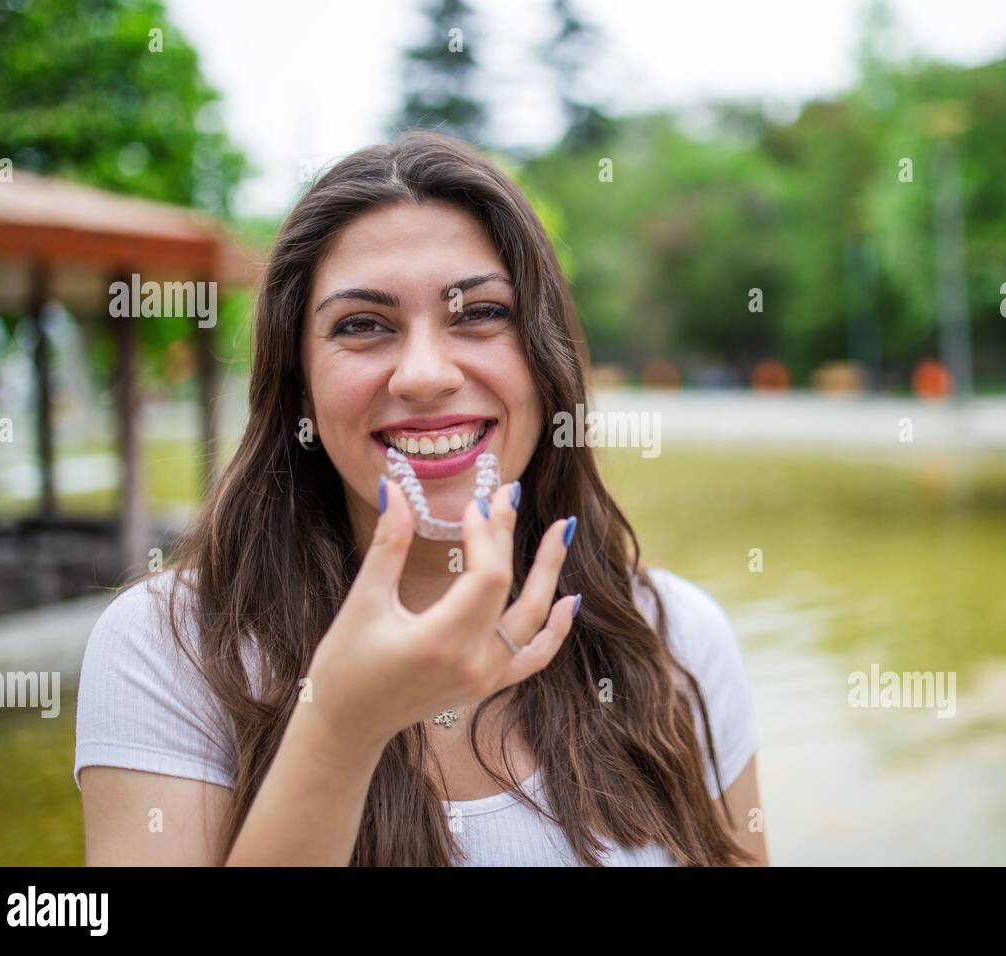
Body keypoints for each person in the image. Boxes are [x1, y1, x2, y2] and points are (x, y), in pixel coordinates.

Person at [74, 131, 767, 866]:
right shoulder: (170, 648)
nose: (425, 375)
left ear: (547, 355)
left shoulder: (678, 639)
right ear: (297, 385)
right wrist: (339, 729)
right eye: (363, 325)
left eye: (479, 313)